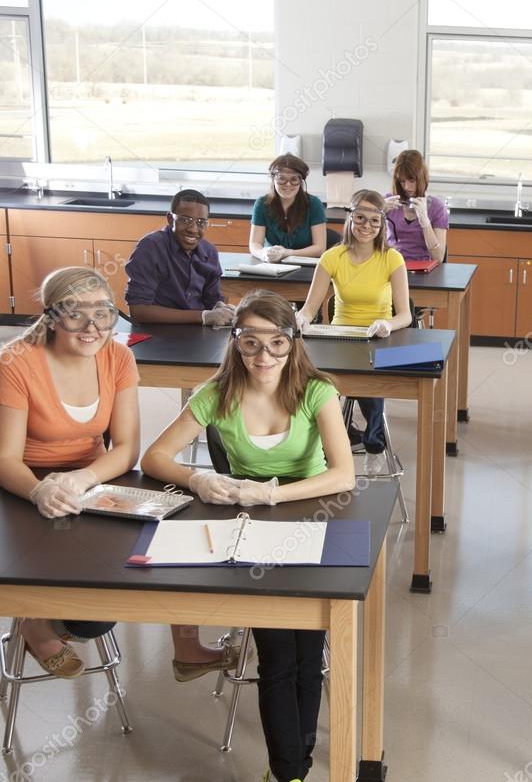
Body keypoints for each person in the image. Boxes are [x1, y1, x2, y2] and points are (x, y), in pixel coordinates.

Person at [142, 290, 354, 782]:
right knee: (279, 656)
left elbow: (343, 475)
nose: (264, 356)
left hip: (315, 521)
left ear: (292, 342)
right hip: (250, 534)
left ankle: (296, 764)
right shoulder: (216, 394)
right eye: (251, 342)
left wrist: (273, 493)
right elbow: (154, 458)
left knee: (309, 654)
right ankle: (289, 772)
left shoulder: (317, 391)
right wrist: (197, 479)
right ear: (235, 341)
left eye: (276, 342)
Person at [0, 267, 235, 681]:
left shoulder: (118, 356)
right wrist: (39, 491)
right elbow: (5, 459)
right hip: (25, 485)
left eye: (103, 313)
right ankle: (35, 623)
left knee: (167, 544)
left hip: (94, 478)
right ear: (52, 316)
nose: (92, 327)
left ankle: (186, 647)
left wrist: (82, 478)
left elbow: (126, 449)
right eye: (76, 314)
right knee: (93, 615)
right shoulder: (16, 362)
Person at [296, 190, 412, 475]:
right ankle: (320, 449)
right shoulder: (332, 257)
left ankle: (374, 445)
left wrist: (387, 324)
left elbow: (405, 315)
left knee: (371, 384)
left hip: (379, 338)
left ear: (382, 224)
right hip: (340, 337)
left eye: (374, 220)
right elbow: (310, 308)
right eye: (360, 218)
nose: (366, 226)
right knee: (313, 384)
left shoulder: (392, 258)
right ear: (350, 217)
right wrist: (301, 318)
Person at [125, 188, 235, 326]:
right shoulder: (151, 248)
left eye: (201, 222)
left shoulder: (210, 252)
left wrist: (222, 309)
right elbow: (138, 310)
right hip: (157, 332)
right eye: (185, 220)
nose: (193, 229)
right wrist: (202, 316)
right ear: (170, 219)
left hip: (198, 332)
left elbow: (212, 301)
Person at [249, 154, 329, 263]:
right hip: (272, 265)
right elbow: (255, 244)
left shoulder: (314, 204)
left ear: (301, 181)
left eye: (294, 179)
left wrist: (287, 253)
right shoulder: (262, 204)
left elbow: (319, 248)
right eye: (282, 178)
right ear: (273, 179)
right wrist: (263, 253)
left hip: (306, 265)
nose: (288, 184)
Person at [383, 149, 448, 264]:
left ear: (422, 178)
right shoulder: (389, 202)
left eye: (412, 180)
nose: (407, 187)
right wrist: (378, 214)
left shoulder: (437, 207)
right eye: (402, 181)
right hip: (392, 265)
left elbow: (438, 257)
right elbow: (372, 249)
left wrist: (425, 221)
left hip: (423, 269)